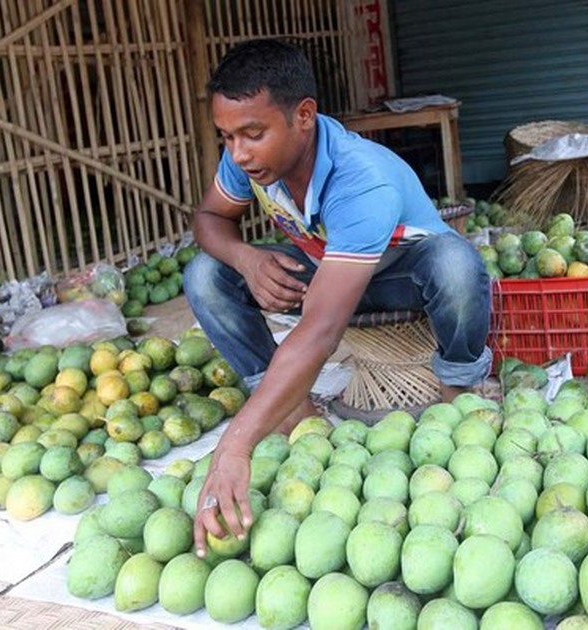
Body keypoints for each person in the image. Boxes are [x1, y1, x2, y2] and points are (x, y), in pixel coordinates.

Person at [181, 38, 492, 557]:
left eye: (252, 134)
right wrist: (248, 259)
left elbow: (321, 330)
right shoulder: (245, 161)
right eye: (226, 136)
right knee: (205, 274)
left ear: (304, 116)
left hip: (402, 276)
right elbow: (209, 219)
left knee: (457, 263)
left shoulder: (360, 178)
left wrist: (234, 445)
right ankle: (293, 410)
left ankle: (456, 395)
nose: (238, 152)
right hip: (330, 270)